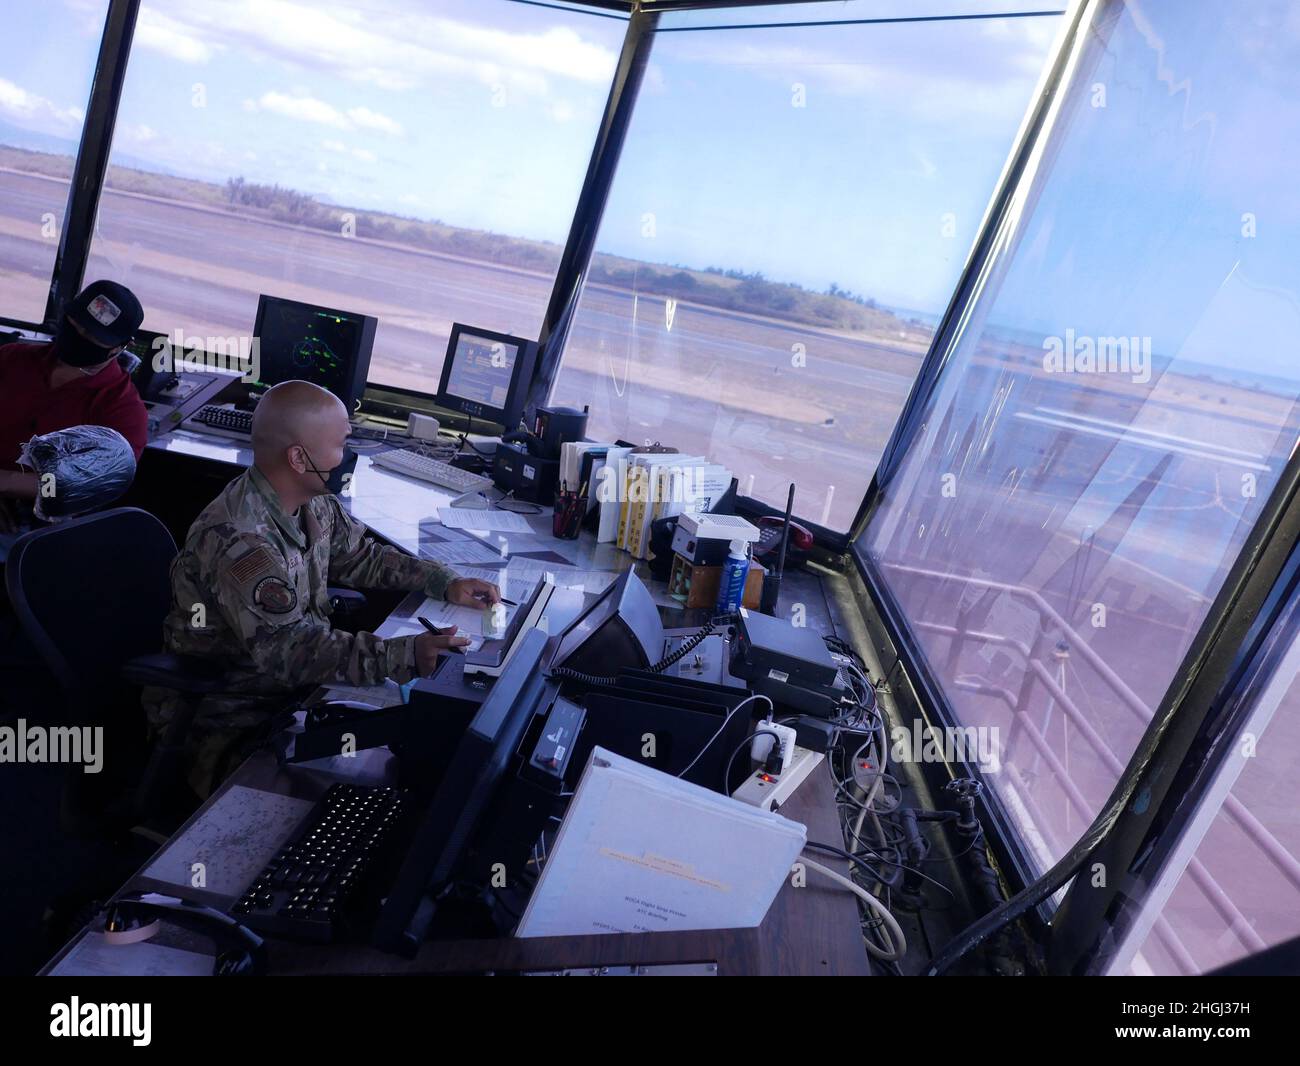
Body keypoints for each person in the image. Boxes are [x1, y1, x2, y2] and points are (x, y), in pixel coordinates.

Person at [143, 380, 501, 796]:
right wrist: (404, 654)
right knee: (369, 796)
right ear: (299, 457)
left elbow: (358, 555)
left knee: (421, 752)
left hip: (293, 693)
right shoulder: (240, 542)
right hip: (229, 719)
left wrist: (444, 581)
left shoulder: (309, 497)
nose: (349, 458)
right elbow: (290, 652)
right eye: (342, 444)